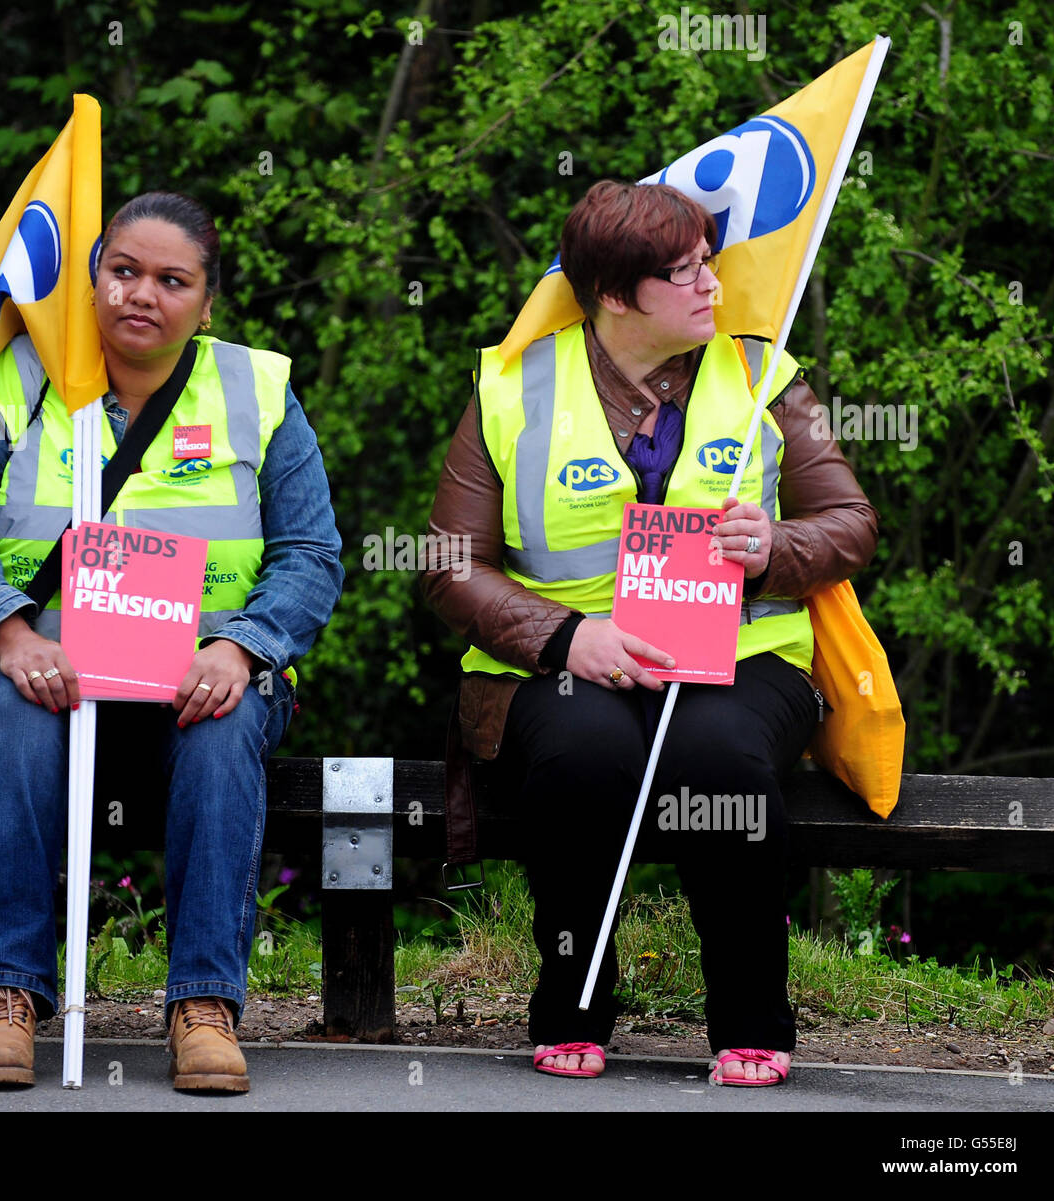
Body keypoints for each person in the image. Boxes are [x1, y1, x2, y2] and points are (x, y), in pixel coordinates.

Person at [421, 180, 878, 1085]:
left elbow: (853, 522)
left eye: (708, 261)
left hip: (745, 659)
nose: (713, 282)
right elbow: (445, 563)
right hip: (568, 663)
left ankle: (752, 1018)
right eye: (686, 271)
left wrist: (776, 546)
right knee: (584, 751)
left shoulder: (767, 373)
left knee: (720, 760)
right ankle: (571, 1003)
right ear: (618, 295)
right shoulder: (510, 386)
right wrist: (565, 638)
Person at [0, 191, 344, 1093]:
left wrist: (247, 647)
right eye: (124, 270)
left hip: (205, 674)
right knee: (12, 714)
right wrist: (9, 632)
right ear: (94, 278)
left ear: (206, 301)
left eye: (172, 280)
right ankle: (7, 994)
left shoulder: (258, 391)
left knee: (225, 731)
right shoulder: (19, 378)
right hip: (53, 671)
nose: (143, 294)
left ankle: (205, 1006)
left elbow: (311, 553)